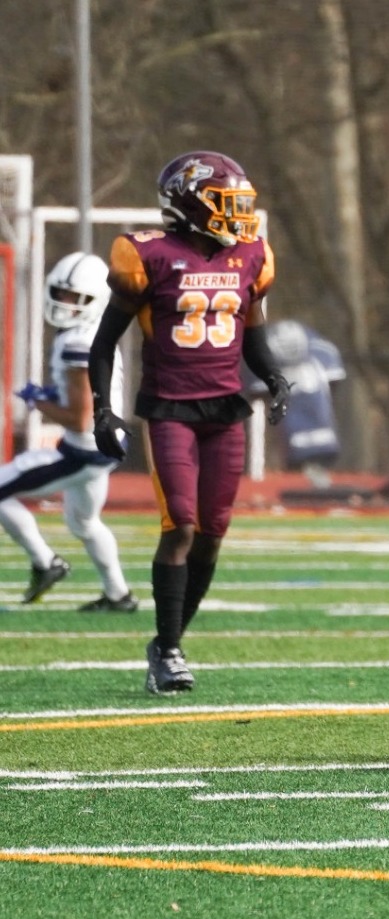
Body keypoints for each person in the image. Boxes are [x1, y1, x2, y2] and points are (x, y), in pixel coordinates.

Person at [88, 151, 290, 694]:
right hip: (169, 408)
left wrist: (274, 378)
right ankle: (169, 651)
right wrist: (102, 408)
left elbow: (253, 333)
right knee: (179, 524)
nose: (240, 216)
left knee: (213, 535)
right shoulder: (147, 256)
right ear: (189, 203)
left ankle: (168, 639)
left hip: (225, 412)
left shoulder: (250, 256)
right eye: (226, 204)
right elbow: (105, 342)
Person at [0, 252, 135, 611]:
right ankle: (119, 595)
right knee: (84, 522)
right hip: (105, 445)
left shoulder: (77, 341)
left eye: (75, 298)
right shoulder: (93, 333)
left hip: (83, 449)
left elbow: (79, 418)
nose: (65, 303)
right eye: (61, 294)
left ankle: (46, 563)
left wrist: (37, 401)